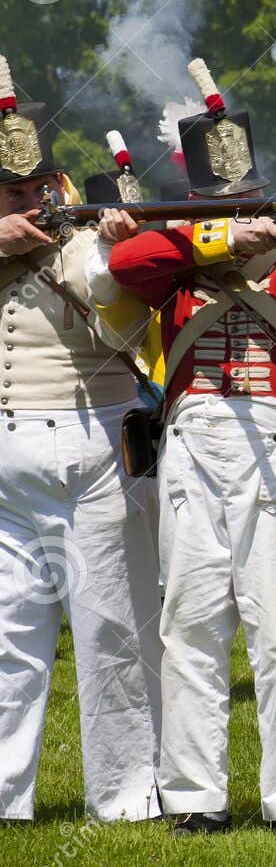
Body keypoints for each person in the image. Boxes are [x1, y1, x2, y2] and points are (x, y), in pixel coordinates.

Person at [109, 59, 276, 835]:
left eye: (245, 201)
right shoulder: (180, 250)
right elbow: (127, 263)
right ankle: (195, 796)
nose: (237, 211)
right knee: (190, 624)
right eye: (219, 206)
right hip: (193, 444)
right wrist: (217, 238)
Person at [0, 57, 164, 824]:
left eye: (38, 188)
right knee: (9, 635)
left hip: (94, 447)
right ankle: (7, 797)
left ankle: (126, 796)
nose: (31, 202)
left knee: (111, 628)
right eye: (13, 193)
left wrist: (112, 251)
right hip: (8, 459)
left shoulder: (83, 243)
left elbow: (127, 325)